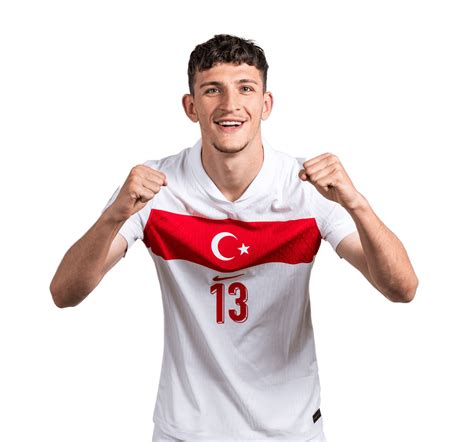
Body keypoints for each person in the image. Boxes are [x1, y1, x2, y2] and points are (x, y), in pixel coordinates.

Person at [49, 34, 418, 441]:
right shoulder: (155, 188)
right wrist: (114, 215)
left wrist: (357, 204)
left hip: (289, 431)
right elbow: (65, 293)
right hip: (185, 431)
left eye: (245, 88)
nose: (230, 105)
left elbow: (401, 288)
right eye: (213, 90)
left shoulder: (308, 189)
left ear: (266, 104)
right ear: (191, 107)